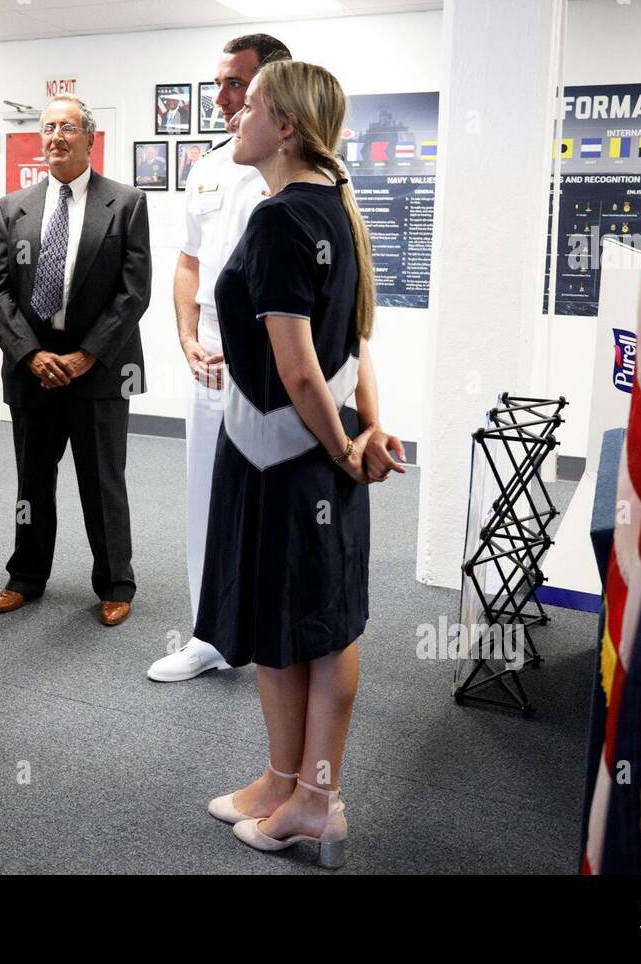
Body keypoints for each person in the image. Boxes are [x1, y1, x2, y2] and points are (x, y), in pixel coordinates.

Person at [197, 60, 406, 868]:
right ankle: (285, 779)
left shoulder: (285, 220)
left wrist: (344, 447)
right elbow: (357, 348)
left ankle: (320, 801)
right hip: (313, 450)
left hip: (291, 458)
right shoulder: (331, 206)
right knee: (296, 623)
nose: (234, 116)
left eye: (248, 105)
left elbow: (301, 371)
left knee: (316, 626)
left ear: (286, 126)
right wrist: (366, 433)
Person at [148, 33, 291, 683]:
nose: (225, 96)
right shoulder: (205, 168)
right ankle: (208, 634)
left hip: (279, 367)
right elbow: (187, 262)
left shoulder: (297, 165)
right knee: (207, 496)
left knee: (281, 502)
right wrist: (185, 338)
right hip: (212, 360)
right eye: (221, 84)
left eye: (239, 82)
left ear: (273, 86)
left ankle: (280, 630)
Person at [0, 94, 152, 626]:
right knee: (32, 481)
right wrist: (31, 356)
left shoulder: (125, 203)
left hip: (99, 372)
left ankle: (115, 582)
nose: (56, 136)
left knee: (102, 481)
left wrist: (87, 355)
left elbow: (133, 293)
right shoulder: (13, 207)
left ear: (89, 138)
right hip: (33, 372)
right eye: (48, 127)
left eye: (68, 128)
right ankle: (26, 576)